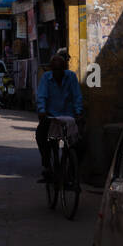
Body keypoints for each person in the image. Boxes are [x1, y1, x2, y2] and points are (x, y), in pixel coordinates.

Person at [35, 52, 84, 181]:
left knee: (79, 142)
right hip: (51, 116)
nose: (57, 72)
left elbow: (77, 96)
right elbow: (42, 96)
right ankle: (47, 166)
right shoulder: (46, 78)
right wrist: (42, 110)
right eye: (54, 69)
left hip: (69, 116)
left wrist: (78, 112)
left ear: (64, 69)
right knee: (41, 135)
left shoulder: (71, 77)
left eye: (60, 69)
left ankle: (71, 172)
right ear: (51, 69)